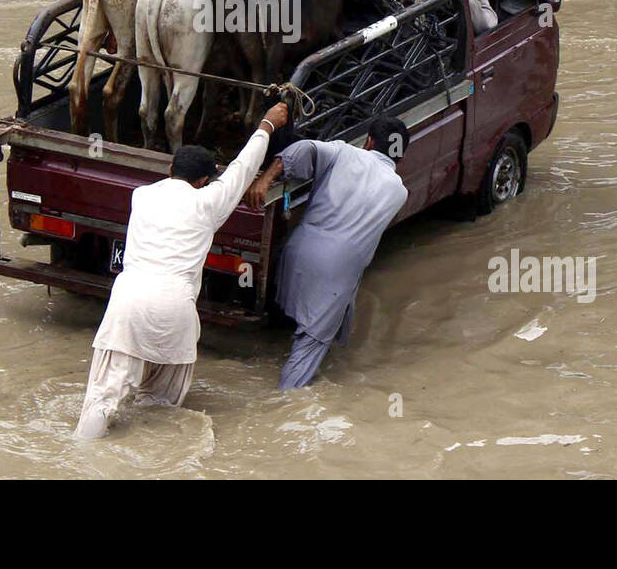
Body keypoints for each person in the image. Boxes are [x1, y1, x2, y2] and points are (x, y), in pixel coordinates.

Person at [75, 101, 289, 440]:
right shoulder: (207, 202)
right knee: (159, 407)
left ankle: (80, 459)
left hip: (129, 301)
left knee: (102, 401)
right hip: (177, 309)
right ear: (204, 180)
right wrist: (267, 124)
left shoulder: (141, 196)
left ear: (171, 169)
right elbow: (243, 168)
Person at [245, 115, 410, 389]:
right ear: (400, 156)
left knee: (287, 320)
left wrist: (265, 179)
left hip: (296, 252)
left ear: (369, 142)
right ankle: (281, 407)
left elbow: (304, 149)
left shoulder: (343, 152)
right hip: (336, 274)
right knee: (308, 349)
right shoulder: (399, 192)